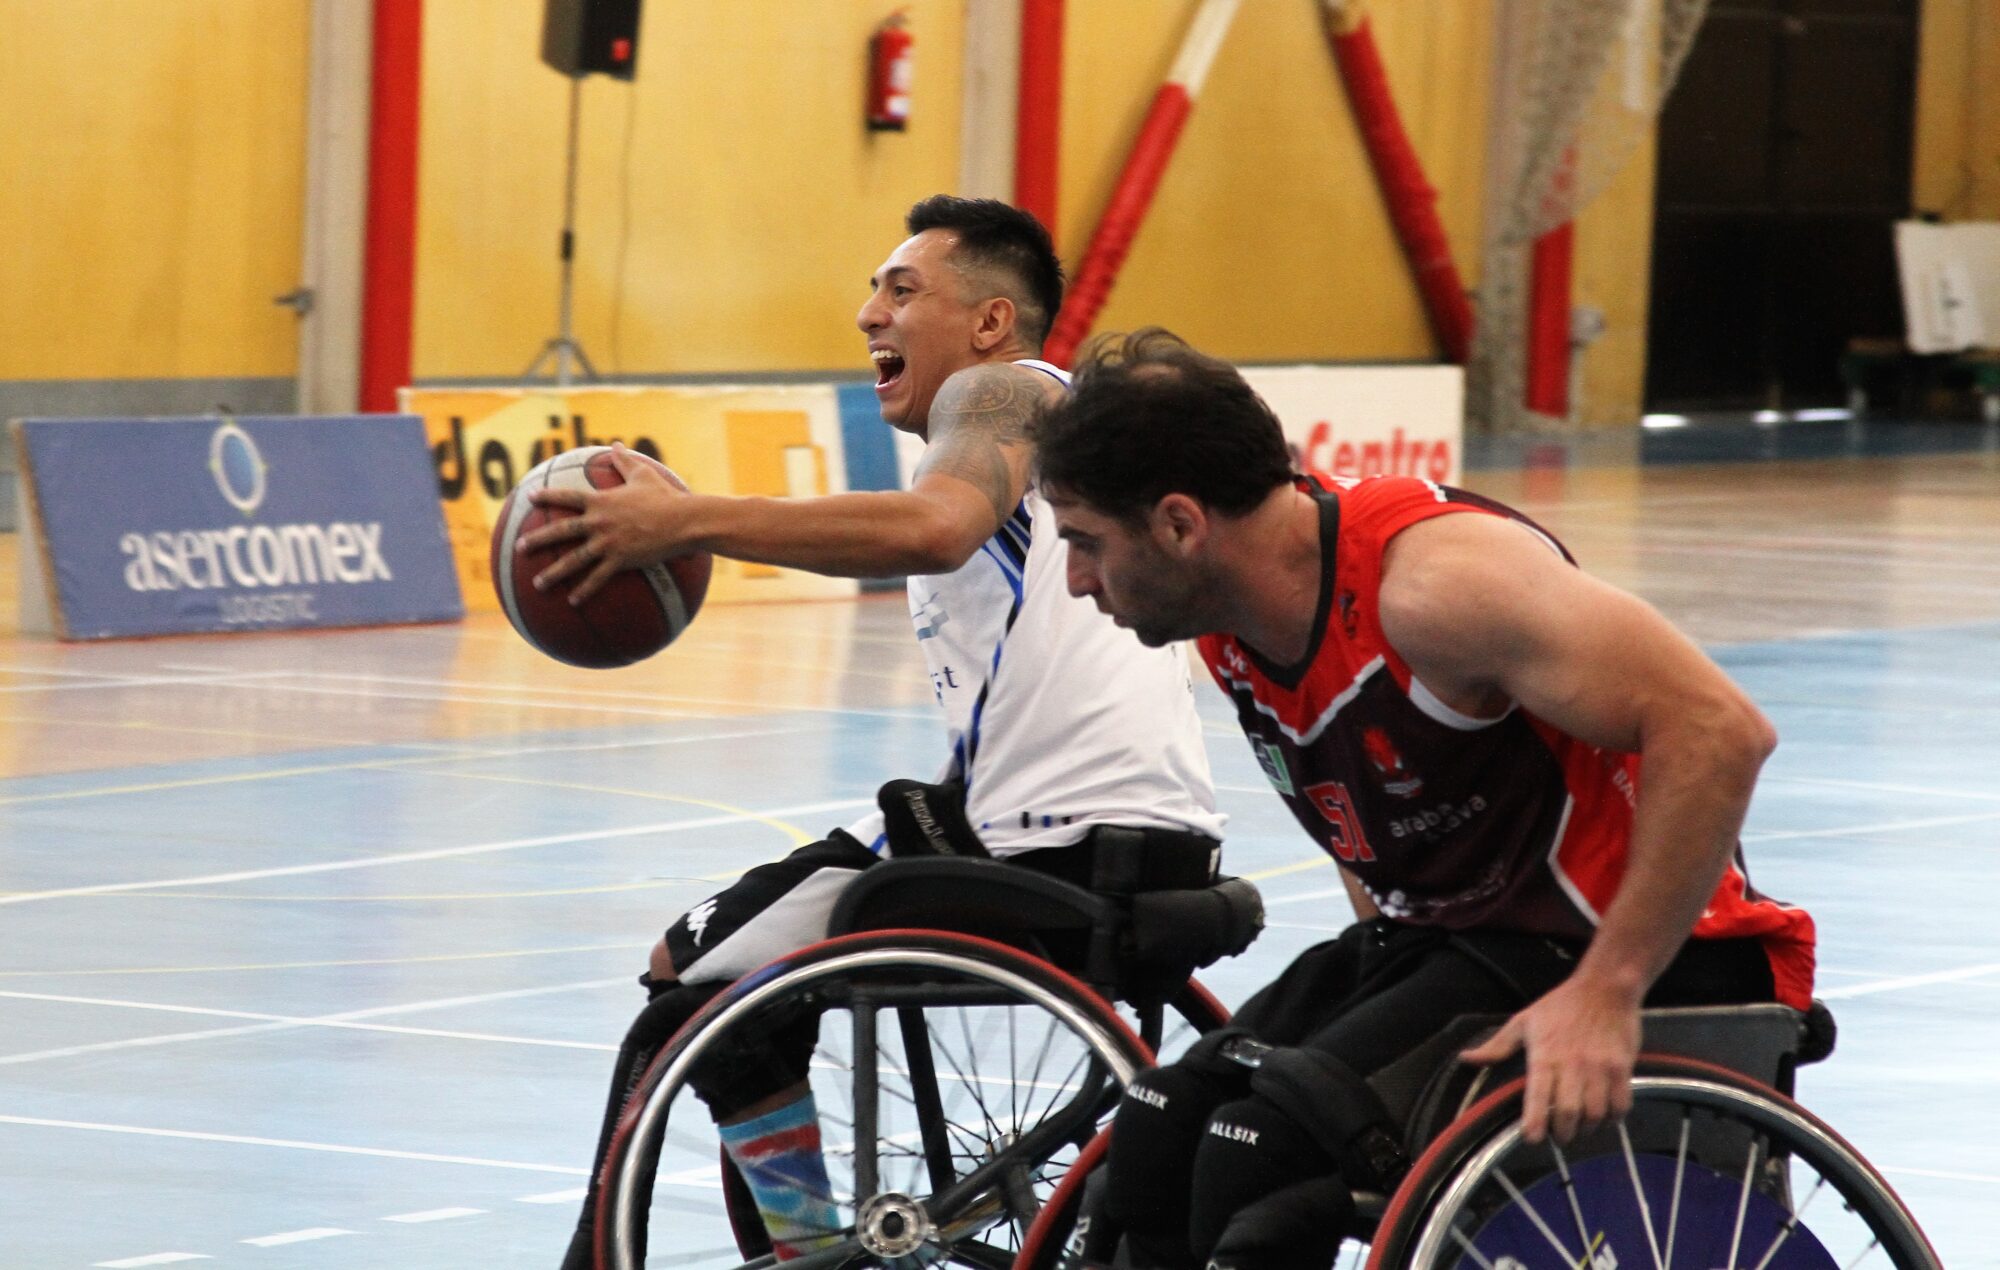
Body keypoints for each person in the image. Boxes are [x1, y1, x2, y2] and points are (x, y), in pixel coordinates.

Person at [522, 203, 1226, 1267]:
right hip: (1135, 831)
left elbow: (935, 529)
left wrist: (688, 518)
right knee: (733, 942)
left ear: (990, 323)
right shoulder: (1062, 434)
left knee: (685, 990)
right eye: (872, 291)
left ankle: (801, 1251)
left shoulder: (1003, 392)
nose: (868, 315)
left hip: (1048, 841)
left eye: (902, 291)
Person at [1030, 329, 1817, 1270]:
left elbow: (1722, 730)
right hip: (1460, 940)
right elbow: (1354, 797)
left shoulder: (1438, 589)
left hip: (1631, 949)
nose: (1076, 579)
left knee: (1259, 1156)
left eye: (1085, 543)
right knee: (1158, 1124)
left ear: (1178, 525)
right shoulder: (1231, 619)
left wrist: (1609, 990)